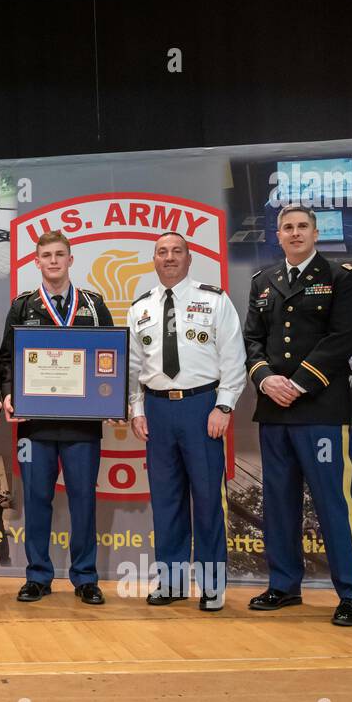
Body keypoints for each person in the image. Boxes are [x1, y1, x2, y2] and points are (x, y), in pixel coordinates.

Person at [244, 205, 352, 626]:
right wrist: (265, 380)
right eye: (287, 228)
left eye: (302, 227)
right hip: (274, 410)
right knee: (278, 504)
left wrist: (297, 383)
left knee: (335, 502)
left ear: (316, 233)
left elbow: (343, 338)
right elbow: (253, 340)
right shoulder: (263, 281)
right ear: (276, 235)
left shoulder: (340, 277)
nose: (295, 233)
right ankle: (284, 585)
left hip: (319, 407)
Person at [128, 232, 246, 610]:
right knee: (166, 501)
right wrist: (137, 409)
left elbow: (233, 356)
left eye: (177, 251)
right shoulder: (140, 307)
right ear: (154, 260)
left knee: (209, 499)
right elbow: (132, 368)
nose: (169, 258)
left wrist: (224, 406)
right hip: (158, 410)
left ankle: (212, 585)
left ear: (189, 257)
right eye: (162, 252)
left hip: (202, 407)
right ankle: (173, 581)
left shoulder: (214, 299)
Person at [0, 230, 114, 605]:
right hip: (35, 424)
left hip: (82, 424)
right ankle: (38, 576)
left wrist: (110, 400)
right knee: (36, 498)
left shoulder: (94, 305)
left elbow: (110, 357)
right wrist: (8, 394)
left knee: (83, 499)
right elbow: (5, 360)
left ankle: (84, 577)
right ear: (36, 261)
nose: (52, 261)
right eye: (45, 255)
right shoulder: (22, 306)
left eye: (59, 254)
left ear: (70, 259)